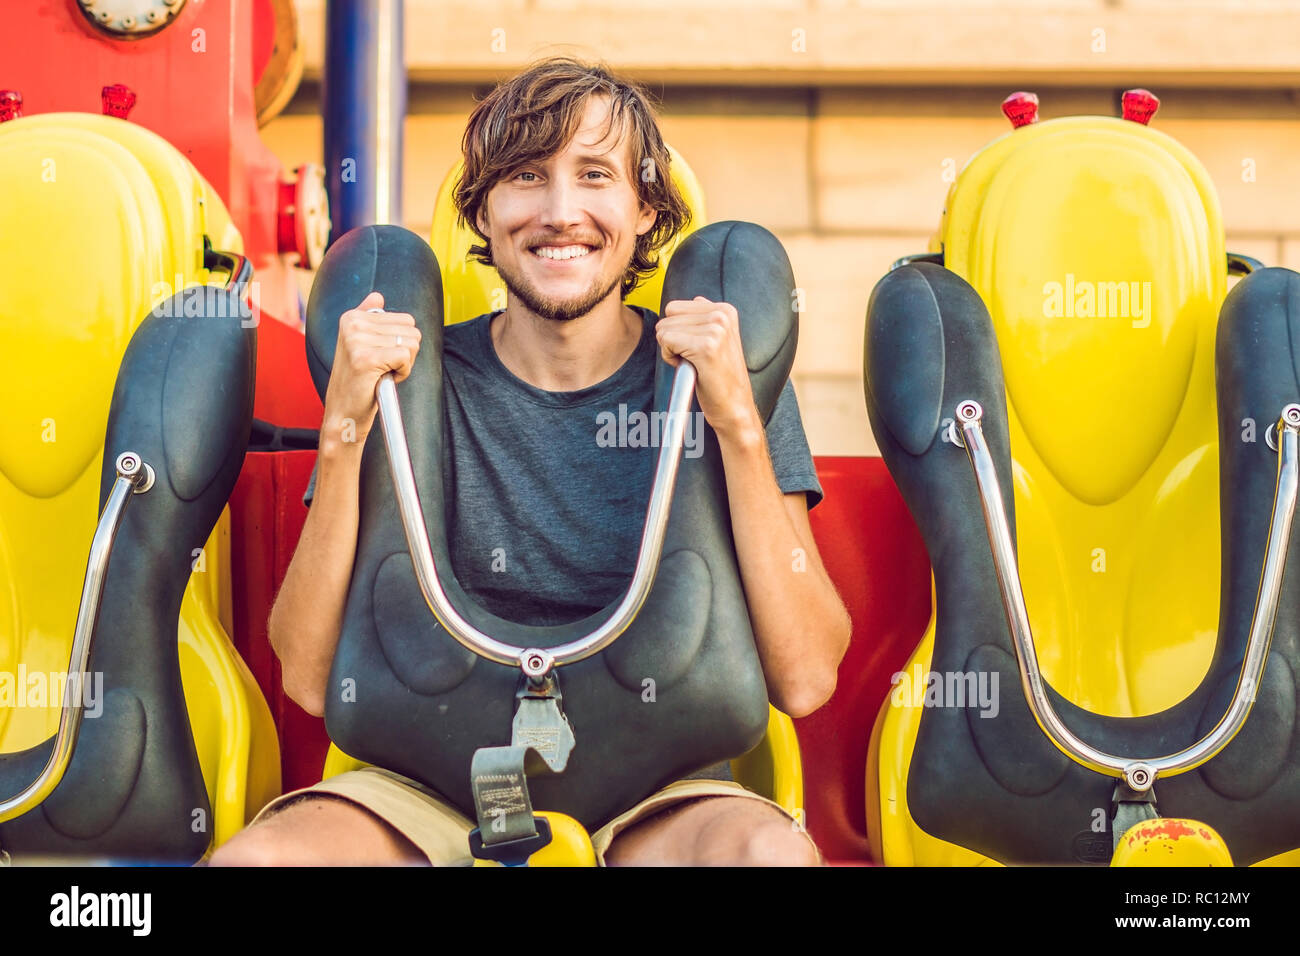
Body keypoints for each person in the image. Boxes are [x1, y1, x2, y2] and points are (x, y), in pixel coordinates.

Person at [211, 57, 851, 867]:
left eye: (594, 176)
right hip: (423, 786)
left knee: (770, 859)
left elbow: (807, 679)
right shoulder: (412, 381)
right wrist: (342, 428)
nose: (559, 213)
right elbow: (305, 677)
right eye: (524, 177)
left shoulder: (723, 377)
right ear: (480, 212)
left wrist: (738, 427)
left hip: (660, 787)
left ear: (646, 209)